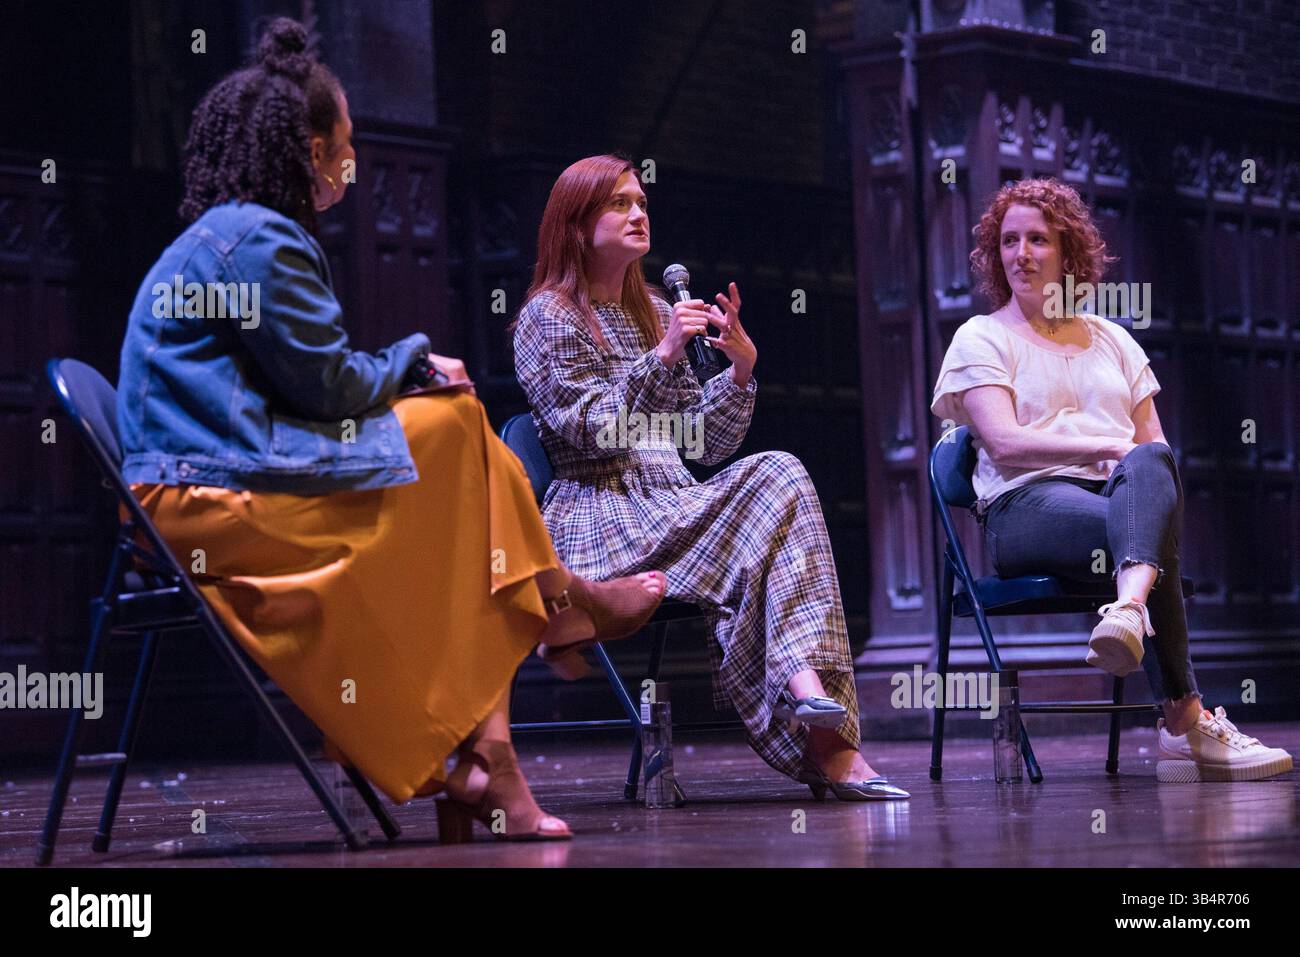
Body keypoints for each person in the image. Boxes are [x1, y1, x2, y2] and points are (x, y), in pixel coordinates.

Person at [117, 19, 666, 842]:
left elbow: (312, 390)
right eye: (346, 137)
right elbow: (331, 389)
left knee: (456, 459)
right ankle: (551, 614)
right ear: (308, 147)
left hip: (218, 474)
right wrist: (415, 360)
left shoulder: (236, 234)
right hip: (199, 502)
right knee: (453, 434)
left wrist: (409, 376)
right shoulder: (260, 241)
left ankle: (490, 748)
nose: (353, 155)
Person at [512, 154, 908, 800]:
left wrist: (741, 372)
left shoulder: (649, 306)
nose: (639, 212)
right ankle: (825, 737)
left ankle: (809, 693)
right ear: (577, 224)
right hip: (604, 516)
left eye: (641, 201)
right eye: (619, 204)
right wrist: (665, 353)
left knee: (778, 473)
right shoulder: (546, 317)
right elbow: (587, 427)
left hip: (674, 504)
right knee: (772, 490)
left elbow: (703, 440)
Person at [931, 177, 1292, 782]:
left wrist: (1129, 462)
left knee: (1150, 471)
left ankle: (1126, 611)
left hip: (1115, 503)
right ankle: (1185, 725)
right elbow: (1005, 443)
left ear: (1069, 252)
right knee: (1150, 538)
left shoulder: (1115, 342)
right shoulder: (981, 336)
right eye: (1010, 240)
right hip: (1026, 507)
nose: (1022, 254)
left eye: (1038, 240)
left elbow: (1154, 454)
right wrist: (1105, 444)